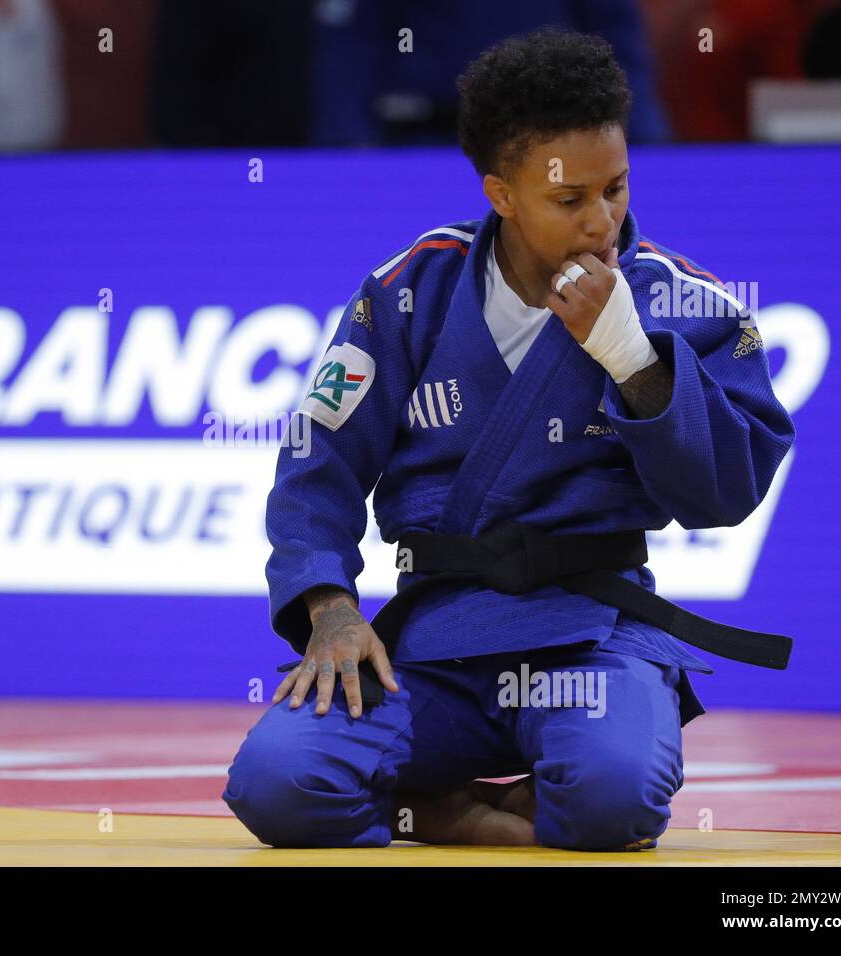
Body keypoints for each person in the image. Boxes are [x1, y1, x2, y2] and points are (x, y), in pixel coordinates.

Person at [222, 28, 795, 850]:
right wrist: (331, 607)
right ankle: (459, 813)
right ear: (501, 193)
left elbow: (728, 492)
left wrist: (635, 359)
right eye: (571, 200)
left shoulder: (681, 301)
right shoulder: (411, 290)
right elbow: (318, 459)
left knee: (615, 797)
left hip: (589, 639)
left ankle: (472, 799)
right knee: (277, 784)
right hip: (438, 648)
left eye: (617, 189)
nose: (602, 222)